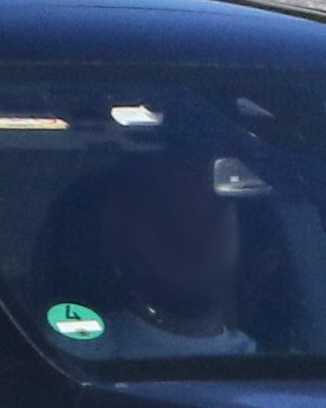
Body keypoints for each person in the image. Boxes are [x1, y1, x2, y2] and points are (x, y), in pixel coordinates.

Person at [53, 152, 258, 359]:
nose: (190, 234)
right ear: (118, 235)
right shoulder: (70, 354)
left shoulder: (270, 368)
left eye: (211, 218)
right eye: (168, 219)